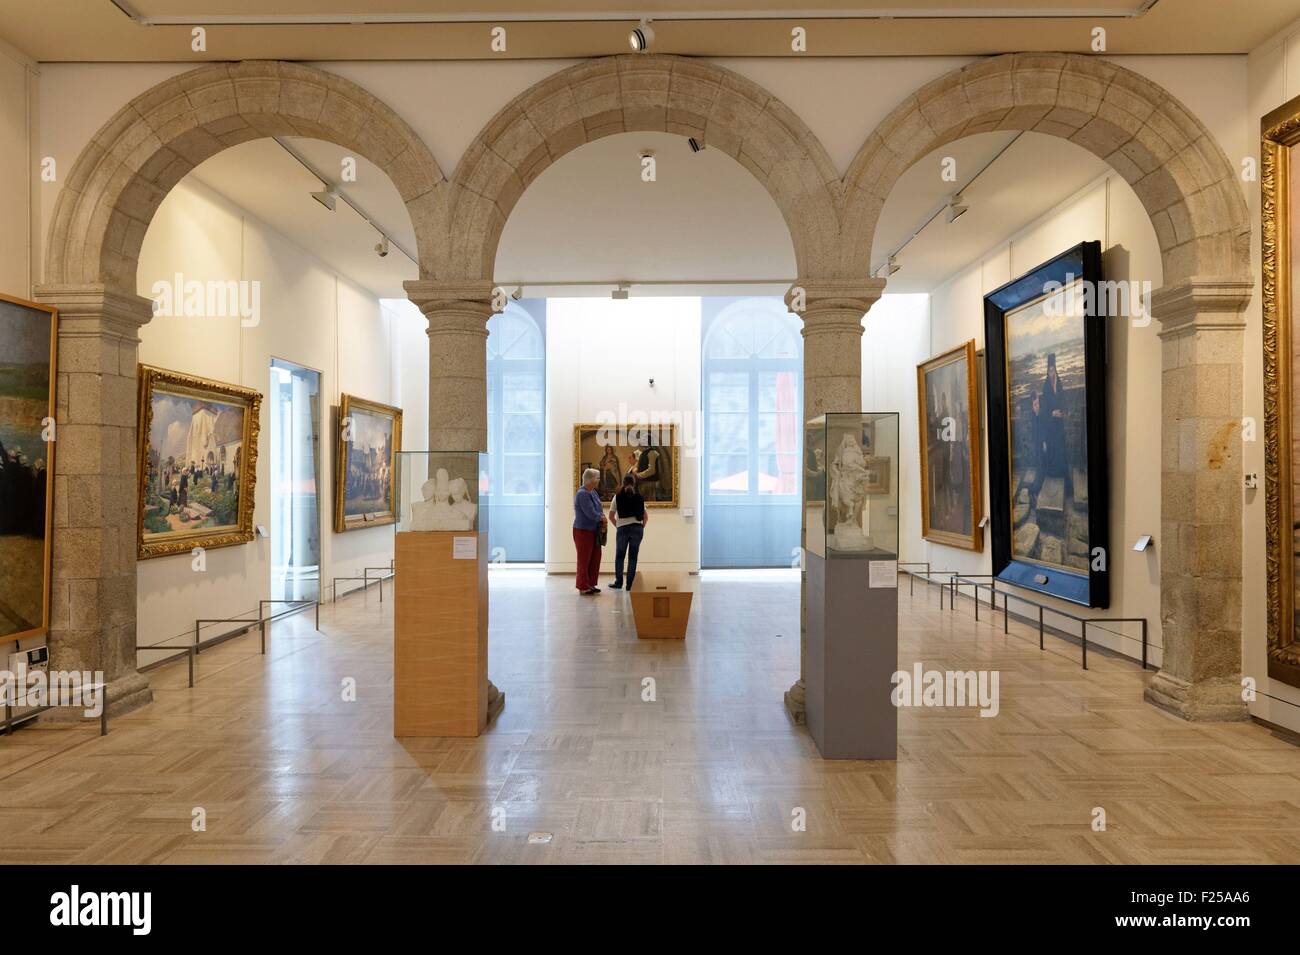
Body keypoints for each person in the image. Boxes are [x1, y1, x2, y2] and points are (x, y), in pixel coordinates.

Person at [609, 473, 648, 590]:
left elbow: (611, 516)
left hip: (622, 529)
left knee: (620, 556)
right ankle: (630, 585)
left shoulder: (617, 497)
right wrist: (641, 527)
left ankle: (618, 582)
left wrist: (619, 526)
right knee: (633, 557)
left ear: (623, 483)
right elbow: (645, 517)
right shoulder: (639, 497)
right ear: (634, 483)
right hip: (637, 529)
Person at [572, 467, 606, 595]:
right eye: (597, 478)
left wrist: (601, 517)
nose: (599, 480)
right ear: (590, 480)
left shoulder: (593, 492)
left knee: (595, 557)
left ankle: (590, 584)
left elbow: (599, 508)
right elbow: (590, 512)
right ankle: (582, 586)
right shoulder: (582, 494)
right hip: (582, 531)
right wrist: (601, 518)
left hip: (593, 530)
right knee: (584, 559)